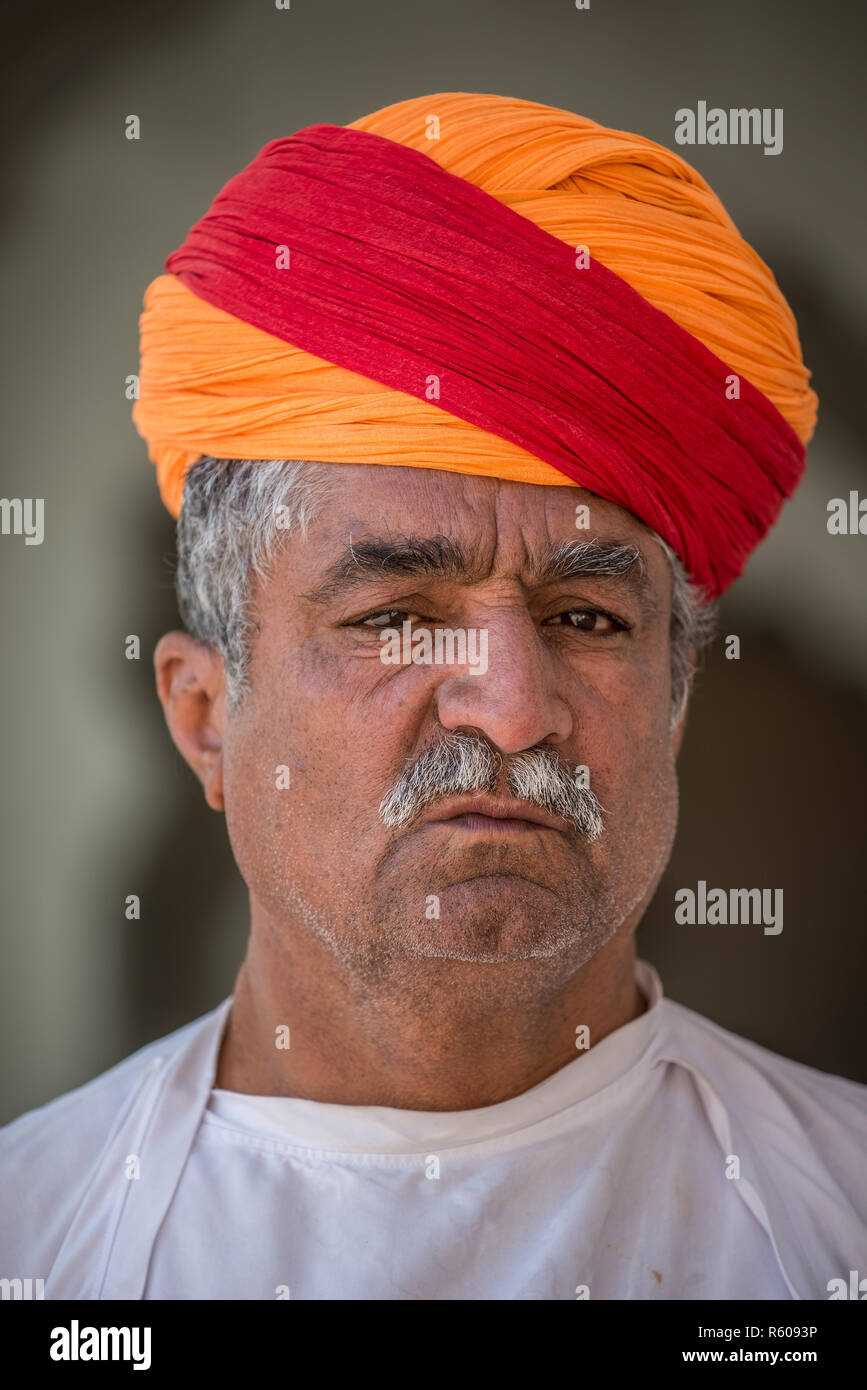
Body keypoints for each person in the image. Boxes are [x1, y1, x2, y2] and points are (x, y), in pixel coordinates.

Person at [1, 92, 863, 1301]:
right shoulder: (36, 1244)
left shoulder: (838, 1223)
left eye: (586, 619)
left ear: (671, 710)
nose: (513, 710)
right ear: (204, 718)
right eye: (394, 618)